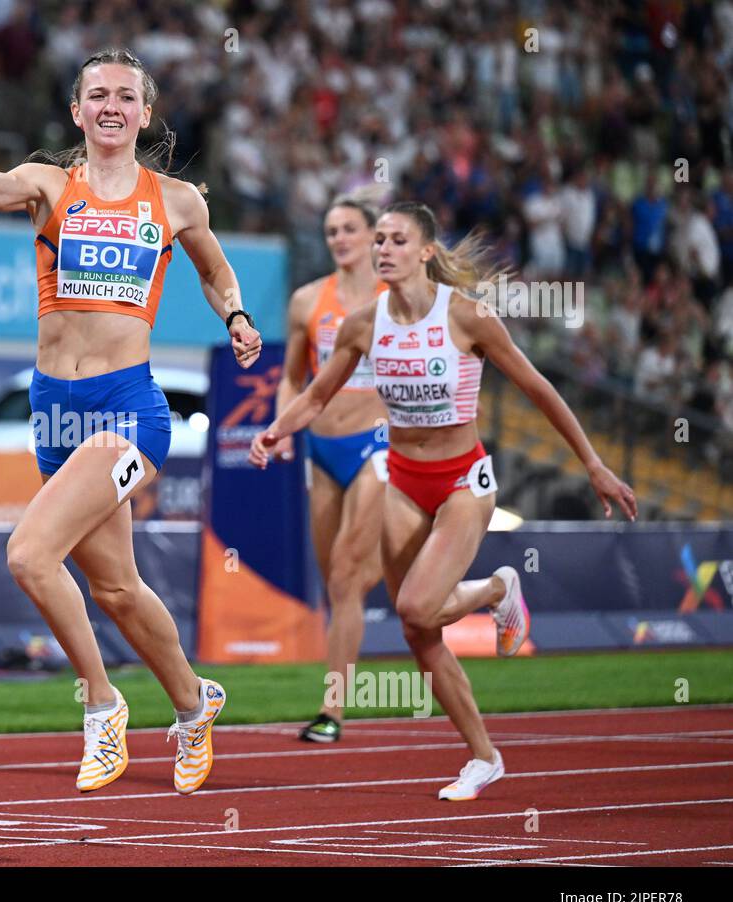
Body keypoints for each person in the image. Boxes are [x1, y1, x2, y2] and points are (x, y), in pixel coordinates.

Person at [0, 48, 262, 794]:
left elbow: (212, 268)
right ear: (77, 111)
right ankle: (194, 701)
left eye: (126, 96)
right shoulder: (49, 185)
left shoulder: (177, 201)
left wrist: (234, 313)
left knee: (30, 554)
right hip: (56, 410)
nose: (112, 106)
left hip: (132, 411)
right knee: (116, 590)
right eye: (97, 94)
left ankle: (102, 707)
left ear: (144, 112)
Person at [250, 201, 636, 800]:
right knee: (418, 628)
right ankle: (484, 752)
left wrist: (594, 464)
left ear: (426, 251)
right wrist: (277, 431)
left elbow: (537, 388)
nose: (383, 248)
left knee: (415, 606)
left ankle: (496, 591)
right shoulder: (362, 323)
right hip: (403, 480)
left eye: (396, 239)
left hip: (462, 482)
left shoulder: (467, 318)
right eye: (378, 239)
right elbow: (316, 394)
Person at [274, 196, 387, 744]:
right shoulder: (306, 301)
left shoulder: (399, 299)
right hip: (322, 448)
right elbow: (293, 378)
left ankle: (333, 709)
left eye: (349, 229)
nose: (340, 238)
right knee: (338, 583)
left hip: (380, 444)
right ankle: (489, 592)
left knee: (346, 572)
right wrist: (281, 428)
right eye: (331, 231)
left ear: (372, 236)